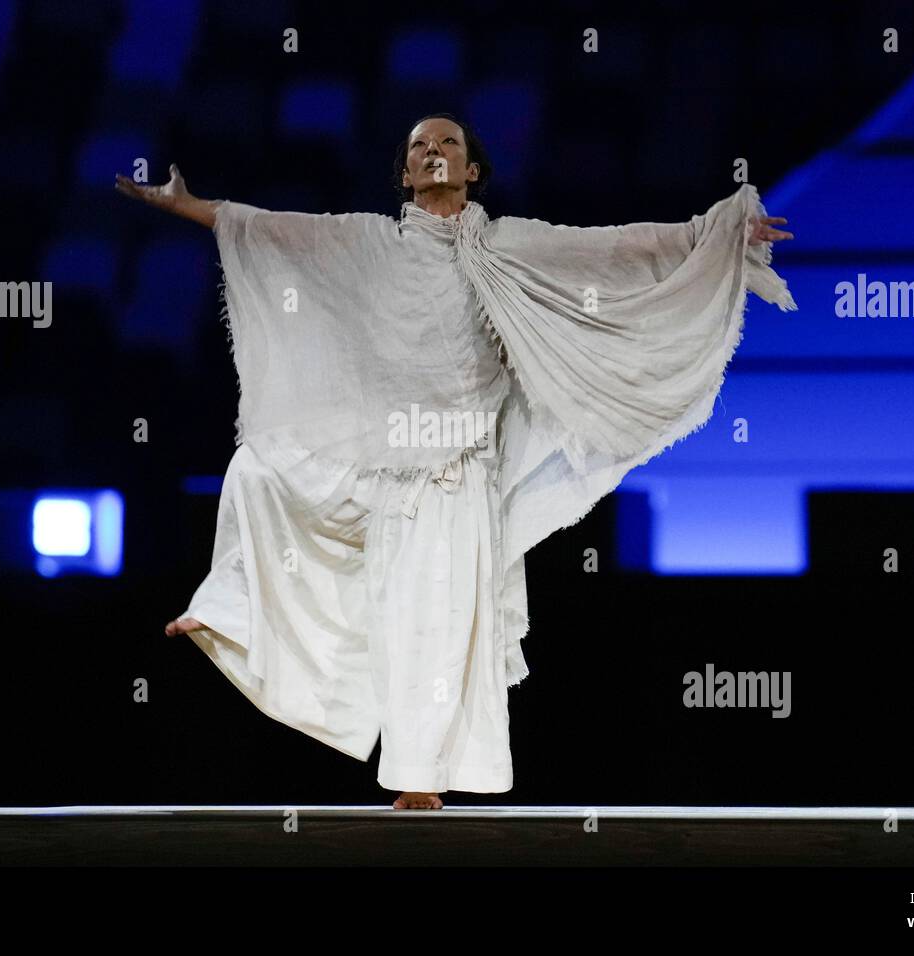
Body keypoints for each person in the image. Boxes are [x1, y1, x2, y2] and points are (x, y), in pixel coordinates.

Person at [116, 113, 796, 811]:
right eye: (418, 146)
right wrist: (186, 206)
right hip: (377, 464)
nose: (432, 151)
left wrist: (710, 235)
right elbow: (278, 232)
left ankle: (420, 780)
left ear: (472, 170)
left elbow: (610, 251)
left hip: (457, 473)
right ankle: (237, 610)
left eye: (448, 144)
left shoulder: (509, 246)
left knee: (430, 625)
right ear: (405, 175)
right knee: (258, 472)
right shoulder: (368, 243)